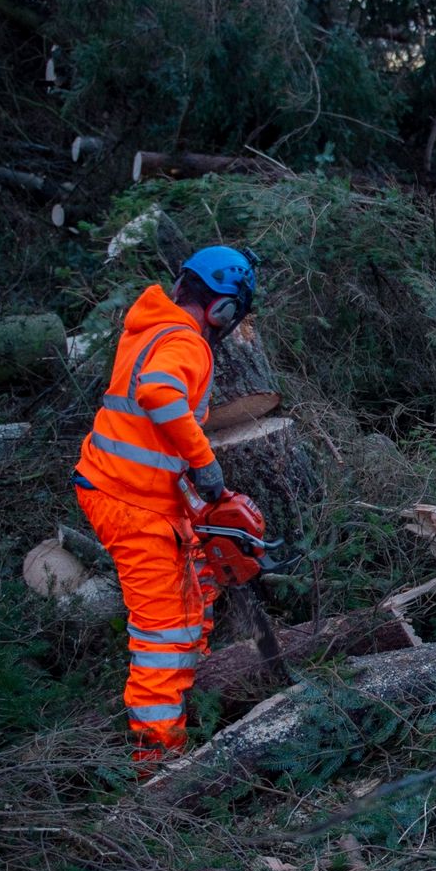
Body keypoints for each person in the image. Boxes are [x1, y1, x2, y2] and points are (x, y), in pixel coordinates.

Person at [72, 245, 259, 763]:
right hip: (129, 501)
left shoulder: (151, 326)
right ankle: (156, 762)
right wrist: (205, 463)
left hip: (136, 491)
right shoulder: (185, 341)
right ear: (224, 310)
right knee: (162, 629)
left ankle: (192, 688)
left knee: (197, 580)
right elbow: (157, 393)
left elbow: (150, 432)